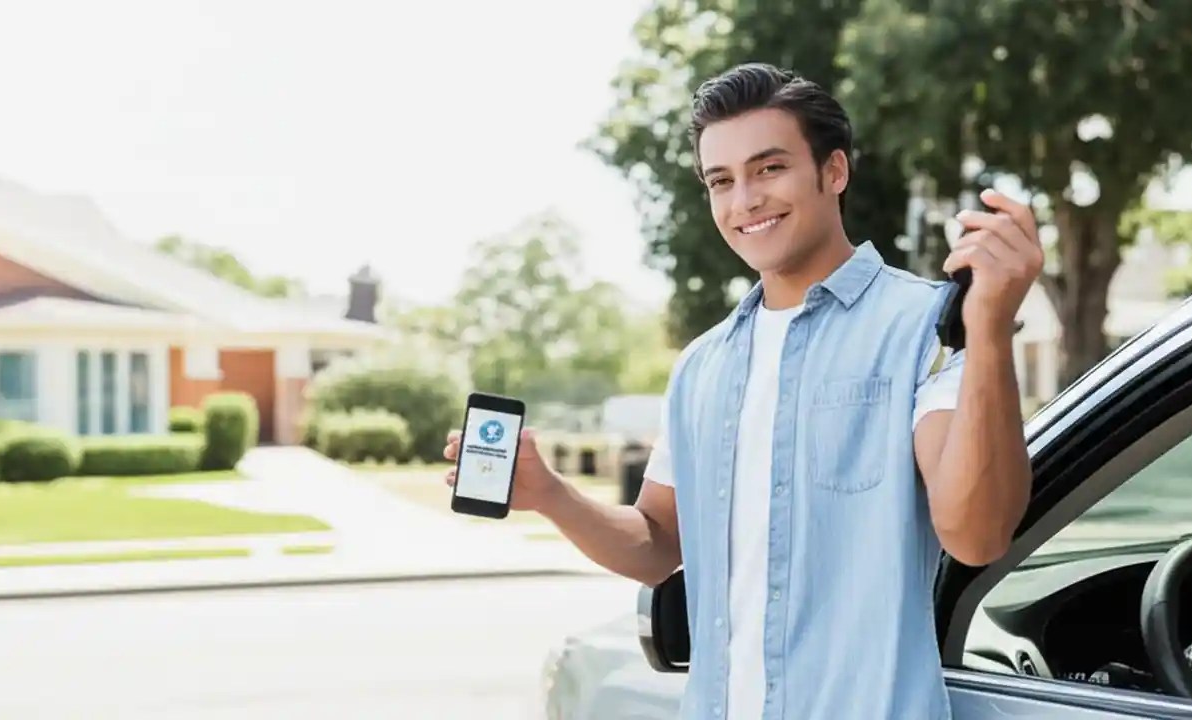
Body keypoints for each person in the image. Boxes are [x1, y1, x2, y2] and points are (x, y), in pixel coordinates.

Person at [443, 62, 1039, 720]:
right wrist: (549, 494)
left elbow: (977, 534)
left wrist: (988, 332)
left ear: (833, 171)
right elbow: (656, 544)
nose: (744, 201)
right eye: (720, 181)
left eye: (769, 169)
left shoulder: (925, 330)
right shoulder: (703, 366)